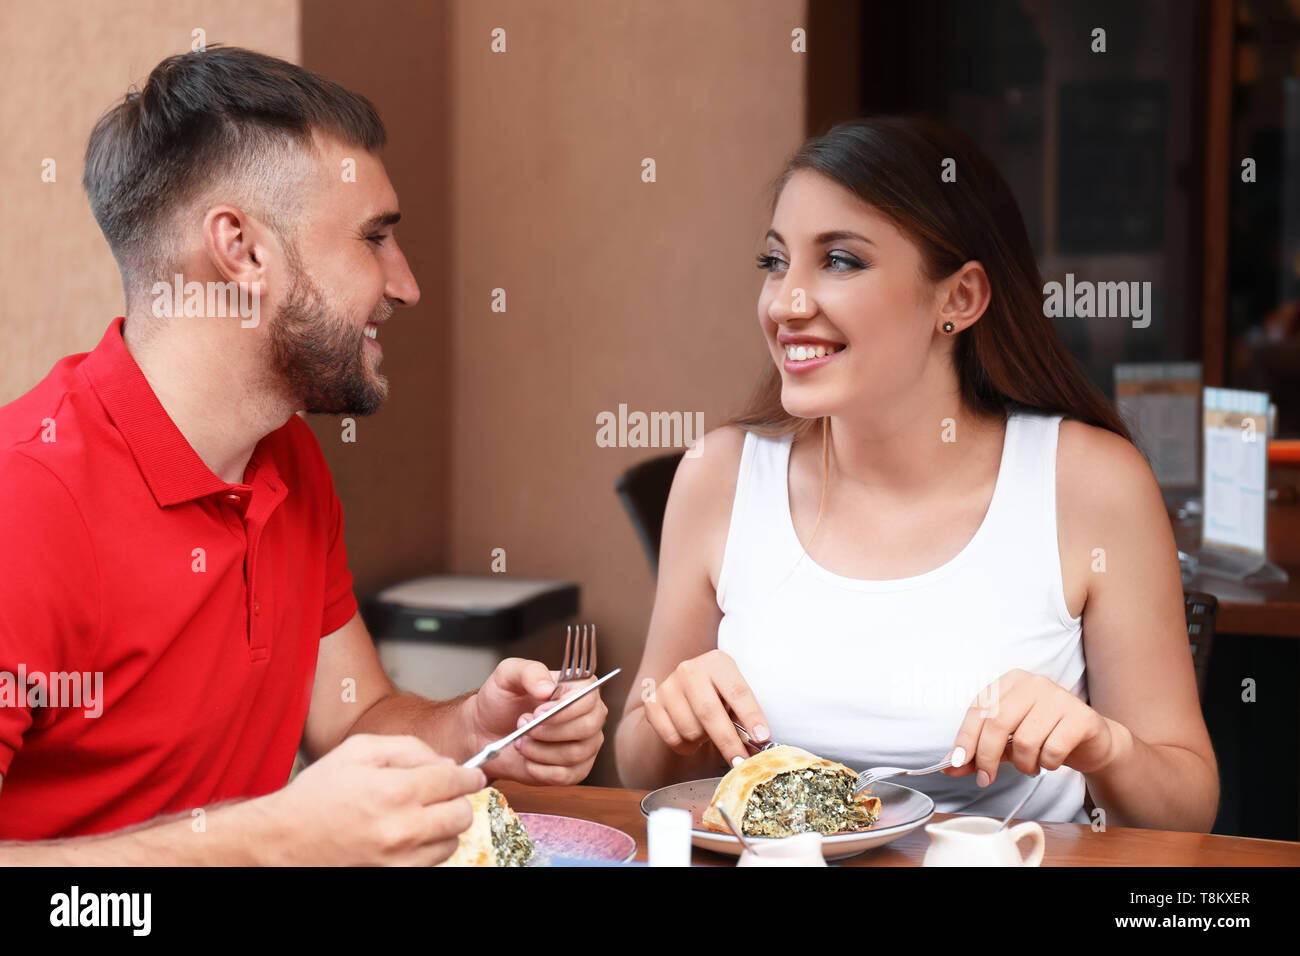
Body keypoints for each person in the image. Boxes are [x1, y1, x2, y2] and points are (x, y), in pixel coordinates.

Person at [0, 46, 605, 864]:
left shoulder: (284, 459)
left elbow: (353, 721)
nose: (405, 283)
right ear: (243, 250)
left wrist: (479, 731)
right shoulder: (24, 501)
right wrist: (274, 840)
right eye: (375, 238)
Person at [614, 116, 1218, 830]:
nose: (786, 303)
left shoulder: (1090, 483)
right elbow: (639, 770)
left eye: (840, 260)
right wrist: (671, 716)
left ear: (958, 299)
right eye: (775, 262)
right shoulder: (717, 475)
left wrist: (1103, 744)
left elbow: (1187, 812)